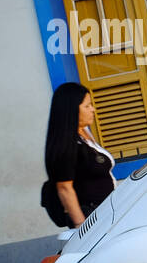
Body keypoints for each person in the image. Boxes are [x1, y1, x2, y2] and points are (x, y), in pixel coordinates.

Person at [42, 82, 115, 228]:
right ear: (72, 110)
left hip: (107, 212)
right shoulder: (66, 144)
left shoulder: (84, 134)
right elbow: (64, 187)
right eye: (87, 106)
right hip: (92, 218)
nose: (93, 109)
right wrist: (81, 227)